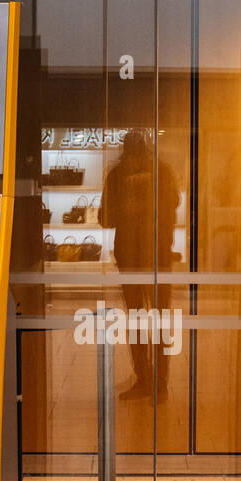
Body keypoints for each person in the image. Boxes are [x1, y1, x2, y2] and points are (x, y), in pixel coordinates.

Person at [99, 128, 180, 400]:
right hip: (156, 256)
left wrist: (131, 203)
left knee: (137, 318)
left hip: (135, 258)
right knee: (155, 319)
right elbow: (175, 205)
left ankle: (148, 380)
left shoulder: (118, 176)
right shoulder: (162, 172)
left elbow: (105, 218)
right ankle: (157, 383)